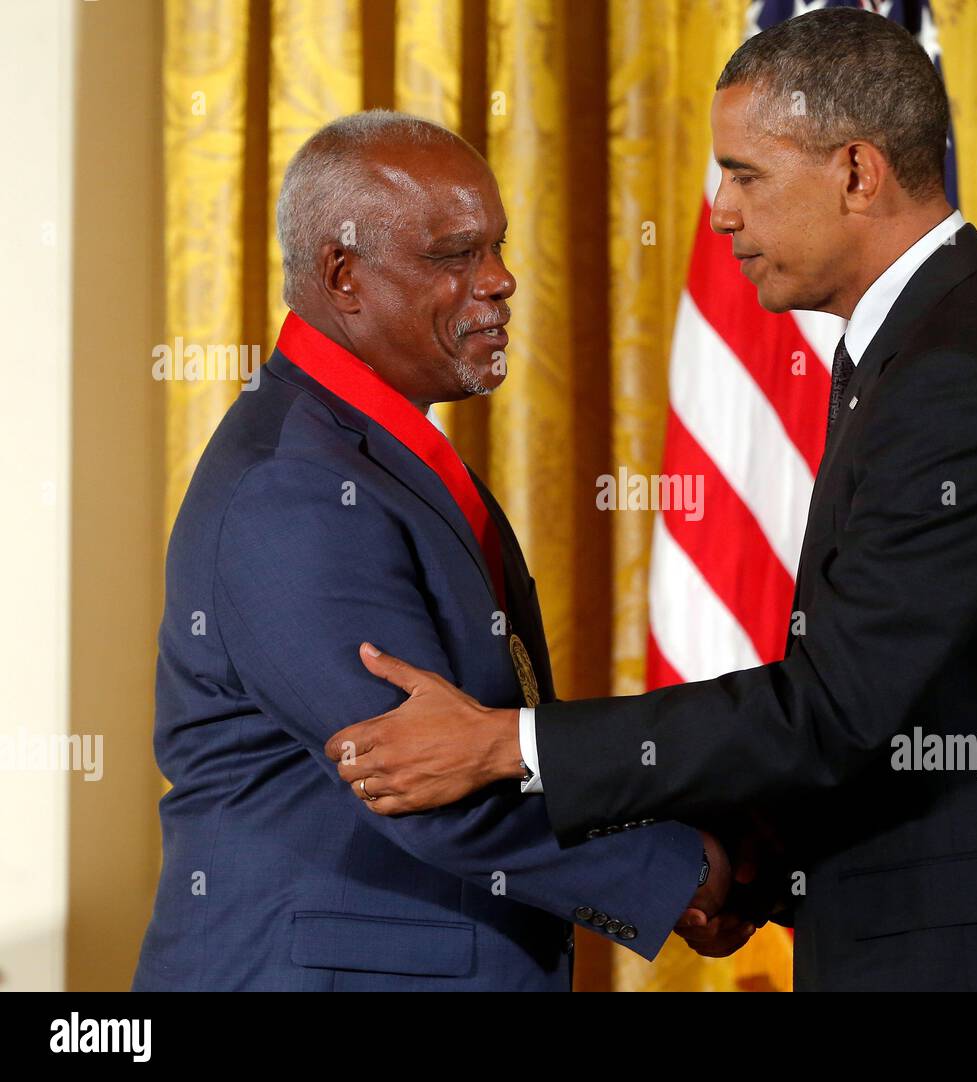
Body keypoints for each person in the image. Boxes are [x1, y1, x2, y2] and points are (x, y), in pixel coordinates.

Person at [325, 10, 977, 991]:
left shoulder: (955, 374)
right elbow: (900, 701)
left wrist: (504, 743)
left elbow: (832, 709)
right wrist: (755, 862)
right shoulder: (924, 343)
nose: (721, 210)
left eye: (745, 173)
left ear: (856, 172)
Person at [133, 111, 727, 992]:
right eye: (455, 255)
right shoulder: (294, 490)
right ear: (344, 276)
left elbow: (480, 737)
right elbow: (417, 782)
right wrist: (689, 870)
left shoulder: (370, 455)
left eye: (497, 247)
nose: (500, 279)